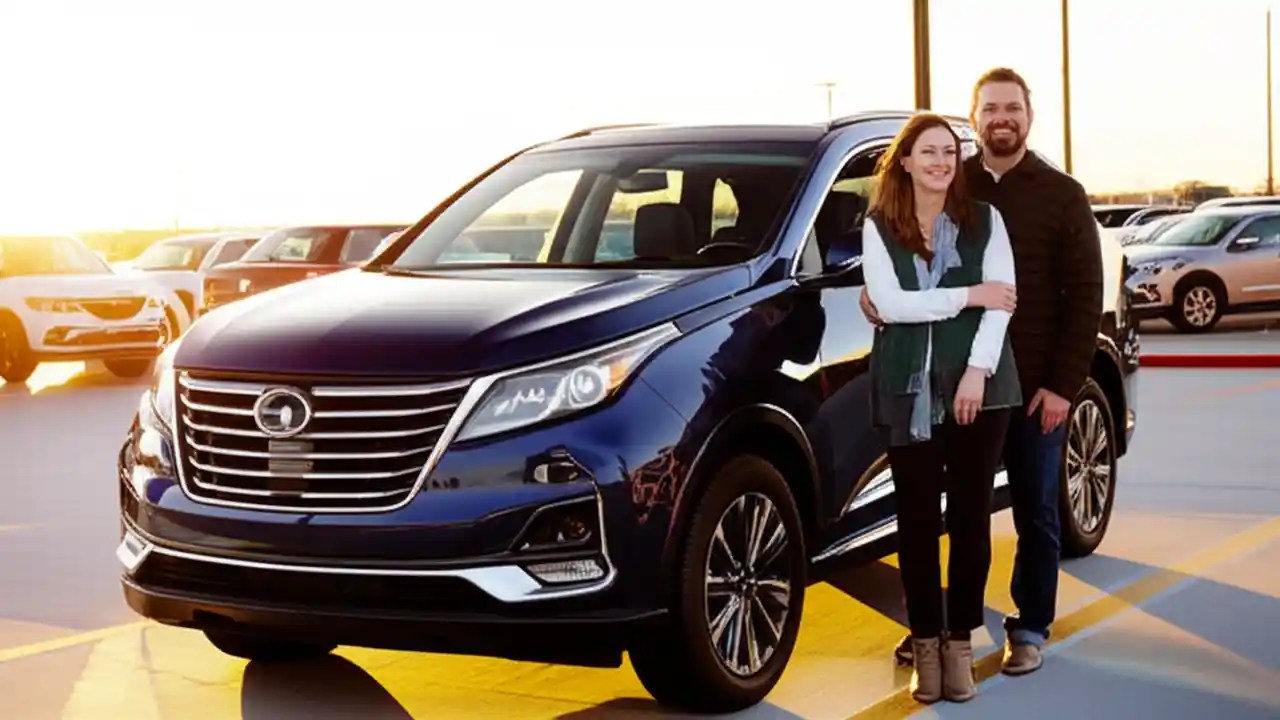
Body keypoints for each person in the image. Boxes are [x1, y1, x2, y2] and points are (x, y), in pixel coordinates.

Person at [863, 68, 1104, 677]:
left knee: (1035, 509)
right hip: (953, 379)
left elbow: (1086, 294)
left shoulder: (1062, 193)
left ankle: (1028, 627)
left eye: (1013, 108)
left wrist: (1063, 386)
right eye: (991, 108)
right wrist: (873, 300)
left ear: (1029, 117)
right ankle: (942, 629)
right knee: (953, 512)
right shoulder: (954, 182)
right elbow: (903, 256)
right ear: (976, 118)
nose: (1003, 118)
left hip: (1028, 384)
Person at [862, 112, 1021, 704]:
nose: (940, 162)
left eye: (950, 153)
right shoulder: (880, 226)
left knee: (972, 517)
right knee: (918, 523)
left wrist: (976, 372)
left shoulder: (986, 221)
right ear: (904, 160)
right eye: (928, 152)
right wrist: (966, 295)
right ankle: (924, 648)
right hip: (907, 387)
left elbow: (1001, 303)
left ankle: (959, 646)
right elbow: (890, 304)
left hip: (980, 384)